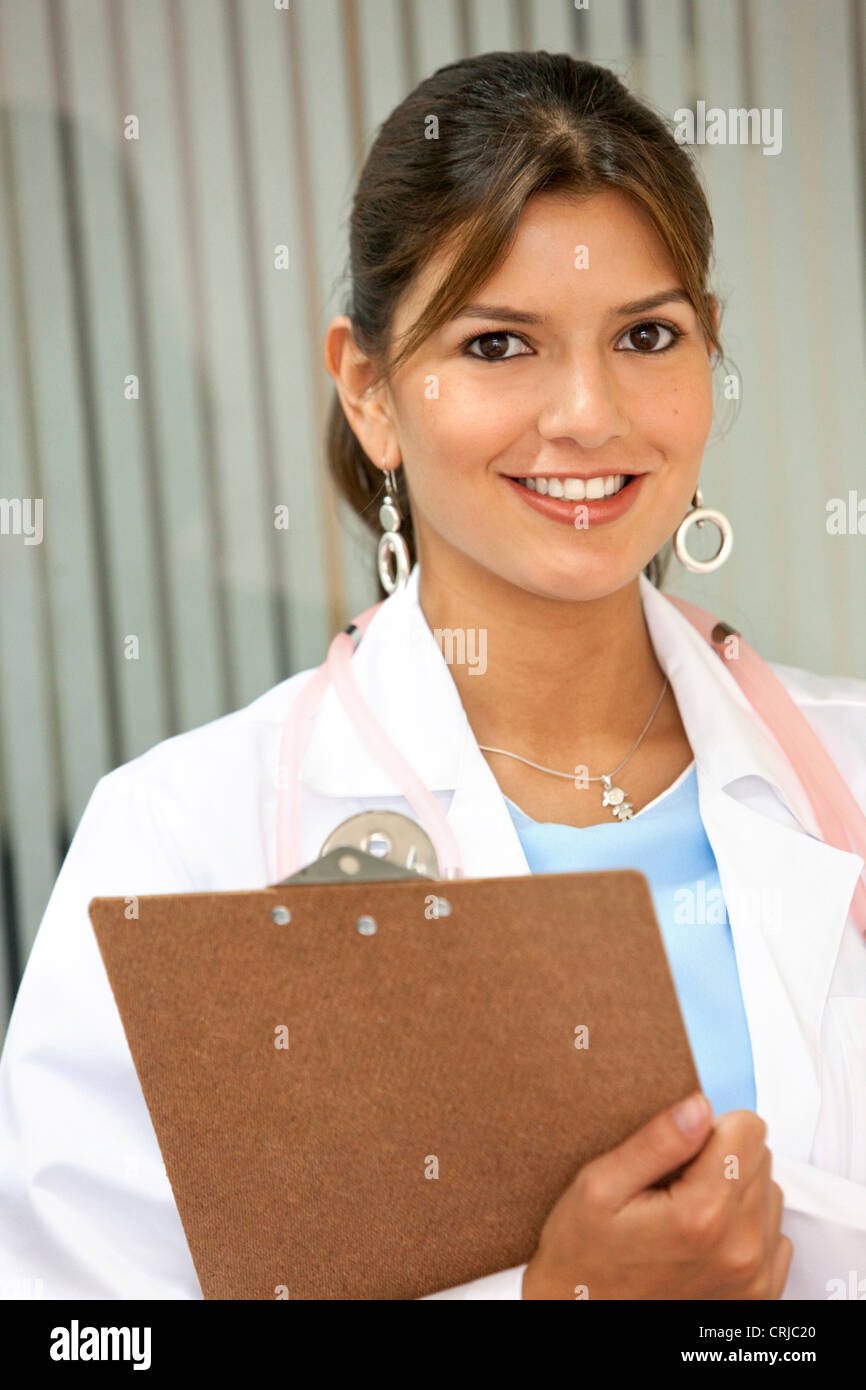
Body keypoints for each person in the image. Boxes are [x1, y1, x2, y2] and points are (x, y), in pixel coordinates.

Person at [1, 51, 864, 1302]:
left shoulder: (840, 768)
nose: (587, 413)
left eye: (644, 334)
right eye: (499, 342)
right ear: (370, 392)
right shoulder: (185, 843)